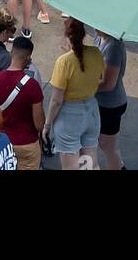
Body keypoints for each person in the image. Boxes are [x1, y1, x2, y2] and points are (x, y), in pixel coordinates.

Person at [44, 18, 105, 170]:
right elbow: (100, 78)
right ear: (84, 35)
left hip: (70, 117)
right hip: (92, 111)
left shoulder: (64, 62)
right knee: (89, 162)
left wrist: (47, 125)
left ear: (67, 36)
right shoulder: (96, 53)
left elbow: (56, 100)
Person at [0, 35, 44, 169]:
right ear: (29, 58)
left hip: (1, 142)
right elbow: (39, 125)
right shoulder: (33, 86)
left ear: (12, 52)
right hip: (27, 144)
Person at [92, 28, 129, 170]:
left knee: (108, 146)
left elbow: (108, 84)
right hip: (103, 102)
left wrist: (84, 88)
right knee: (105, 143)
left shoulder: (114, 47)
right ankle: (119, 165)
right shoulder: (99, 37)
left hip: (111, 104)